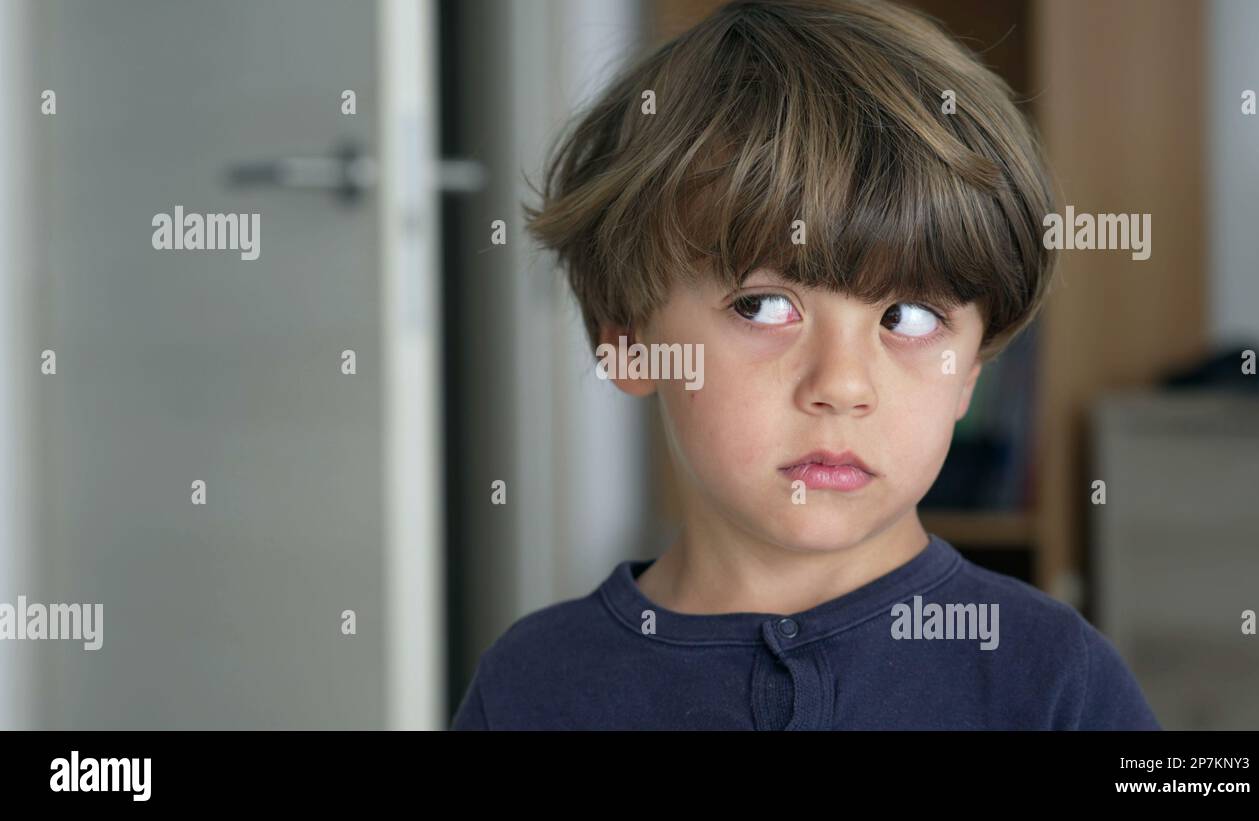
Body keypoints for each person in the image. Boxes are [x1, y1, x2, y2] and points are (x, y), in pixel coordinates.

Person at [451, 0, 1160, 730]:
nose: (842, 385)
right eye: (763, 307)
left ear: (970, 371)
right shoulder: (534, 685)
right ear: (630, 341)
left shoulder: (1052, 678)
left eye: (909, 318)